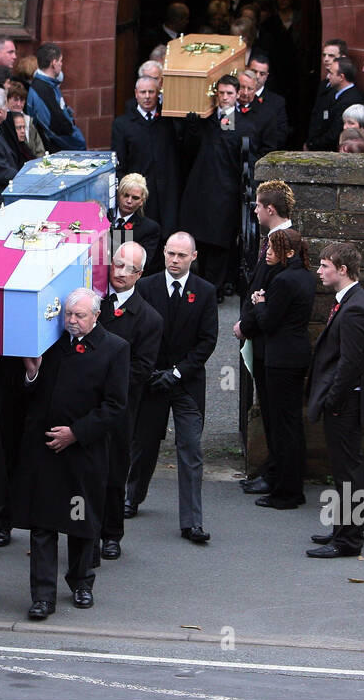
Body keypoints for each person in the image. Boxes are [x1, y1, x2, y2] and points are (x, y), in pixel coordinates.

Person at [15, 289, 129, 618]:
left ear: (96, 316)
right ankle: (42, 596)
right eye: (68, 314)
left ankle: (81, 582)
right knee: (43, 525)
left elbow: (115, 406)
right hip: (47, 450)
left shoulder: (114, 349)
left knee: (80, 521)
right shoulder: (51, 344)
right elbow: (32, 395)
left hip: (83, 452)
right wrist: (32, 373)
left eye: (79, 316)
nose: (71, 321)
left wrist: (76, 433)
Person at [128, 232, 218, 543]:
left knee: (190, 449)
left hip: (186, 383)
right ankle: (132, 496)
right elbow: (137, 333)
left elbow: (207, 341)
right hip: (153, 380)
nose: (174, 260)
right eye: (170, 254)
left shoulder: (205, 292)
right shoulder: (146, 287)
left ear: (193, 257)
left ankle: (192, 521)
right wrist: (152, 372)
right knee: (144, 443)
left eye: (181, 255)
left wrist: (178, 373)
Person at [306, 242, 364, 557]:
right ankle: (342, 531)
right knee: (344, 470)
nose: (319, 271)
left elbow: (350, 363)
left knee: (349, 471)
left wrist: (332, 400)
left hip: (345, 403)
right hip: (343, 401)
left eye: (325, 266)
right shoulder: (349, 301)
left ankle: (350, 541)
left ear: (343, 269)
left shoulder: (356, 308)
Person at [96, 243, 162, 561]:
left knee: (113, 472)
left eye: (129, 268)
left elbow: (140, 371)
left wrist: (100, 385)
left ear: (140, 274)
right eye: (117, 264)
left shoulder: (148, 318)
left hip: (118, 408)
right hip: (80, 403)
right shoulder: (92, 302)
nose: (121, 272)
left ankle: (111, 534)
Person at [248, 227, 316, 508]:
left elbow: (269, 322)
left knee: (283, 426)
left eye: (273, 250)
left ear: (288, 253)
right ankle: (289, 486)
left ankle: (287, 492)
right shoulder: (305, 276)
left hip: (282, 358)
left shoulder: (284, 280)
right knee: (291, 425)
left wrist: (260, 303)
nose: (267, 254)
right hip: (296, 355)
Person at [237, 180, 295, 498]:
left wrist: (247, 325)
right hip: (263, 341)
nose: (255, 210)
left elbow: (268, 296)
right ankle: (273, 471)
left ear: (270, 209)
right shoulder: (270, 241)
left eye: (258, 206)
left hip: (271, 345)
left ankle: (277, 475)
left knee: (276, 414)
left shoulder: (281, 246)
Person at [178, 75, 243, 291]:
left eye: (229, 94)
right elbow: (190, 150)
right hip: (202, 189)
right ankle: (205, 284)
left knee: (220, 242)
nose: (224, 98)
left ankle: (215, 287)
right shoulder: (206, 121)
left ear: (238, 95)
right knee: (202, 240)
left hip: (225, 191)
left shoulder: (241, 124)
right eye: (221, 93)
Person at [111, 76, 181, 241]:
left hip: (166, 194)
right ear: (136, 94)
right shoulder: (123, 124)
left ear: (158, 94)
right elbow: (119, 163)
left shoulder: (169, 120)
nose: (147, 96)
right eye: (143, 92)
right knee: (131, 240)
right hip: (137, 195)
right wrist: (126, 194)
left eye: (151, 92)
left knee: (166, 238)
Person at [27, 42, 86, 150]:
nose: (61, 64)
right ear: (54, 63)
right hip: (59, 151)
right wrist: (79, 143)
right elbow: (55, 128)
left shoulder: (50, 85)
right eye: (60, 61)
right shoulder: (42, 90)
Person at [108, 173, 161, 267]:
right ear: (118, 195)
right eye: (125, 195)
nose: (129, 201)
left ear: (141, 201)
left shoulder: (149, 228)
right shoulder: (104, 216)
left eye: (135, 198)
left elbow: (141, 263)